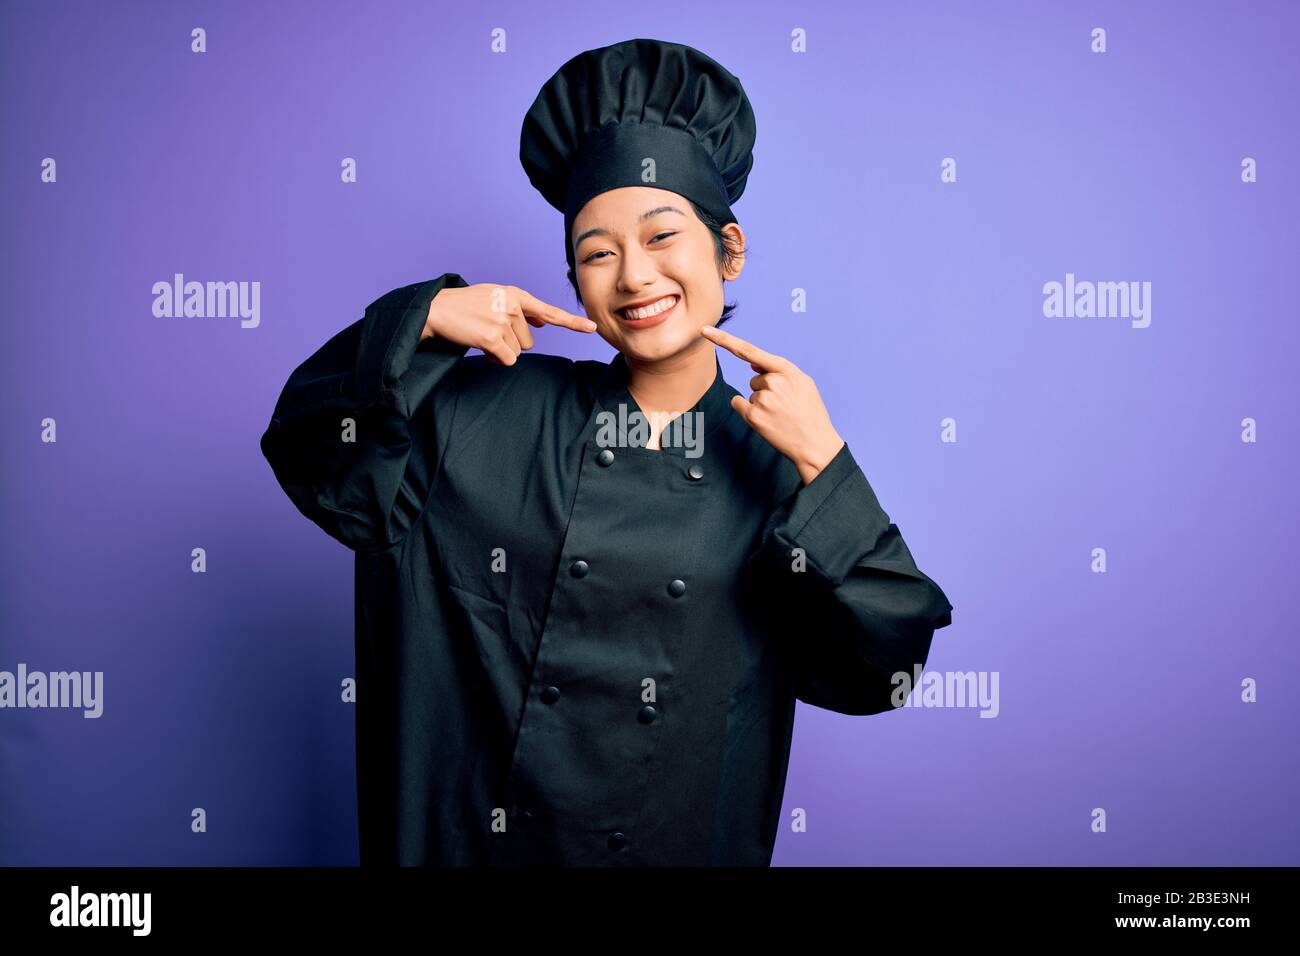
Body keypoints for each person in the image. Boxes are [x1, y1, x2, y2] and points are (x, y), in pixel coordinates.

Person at [259, 37, 953, 867]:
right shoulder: (485, 410)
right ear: (575, 279)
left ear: (728, 252)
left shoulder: (778, 467)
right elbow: (311, 448)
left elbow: (886, 670)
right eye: (597, 253)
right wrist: (427, 318)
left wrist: (828, 468)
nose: (633, 277)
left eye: (663, 237)